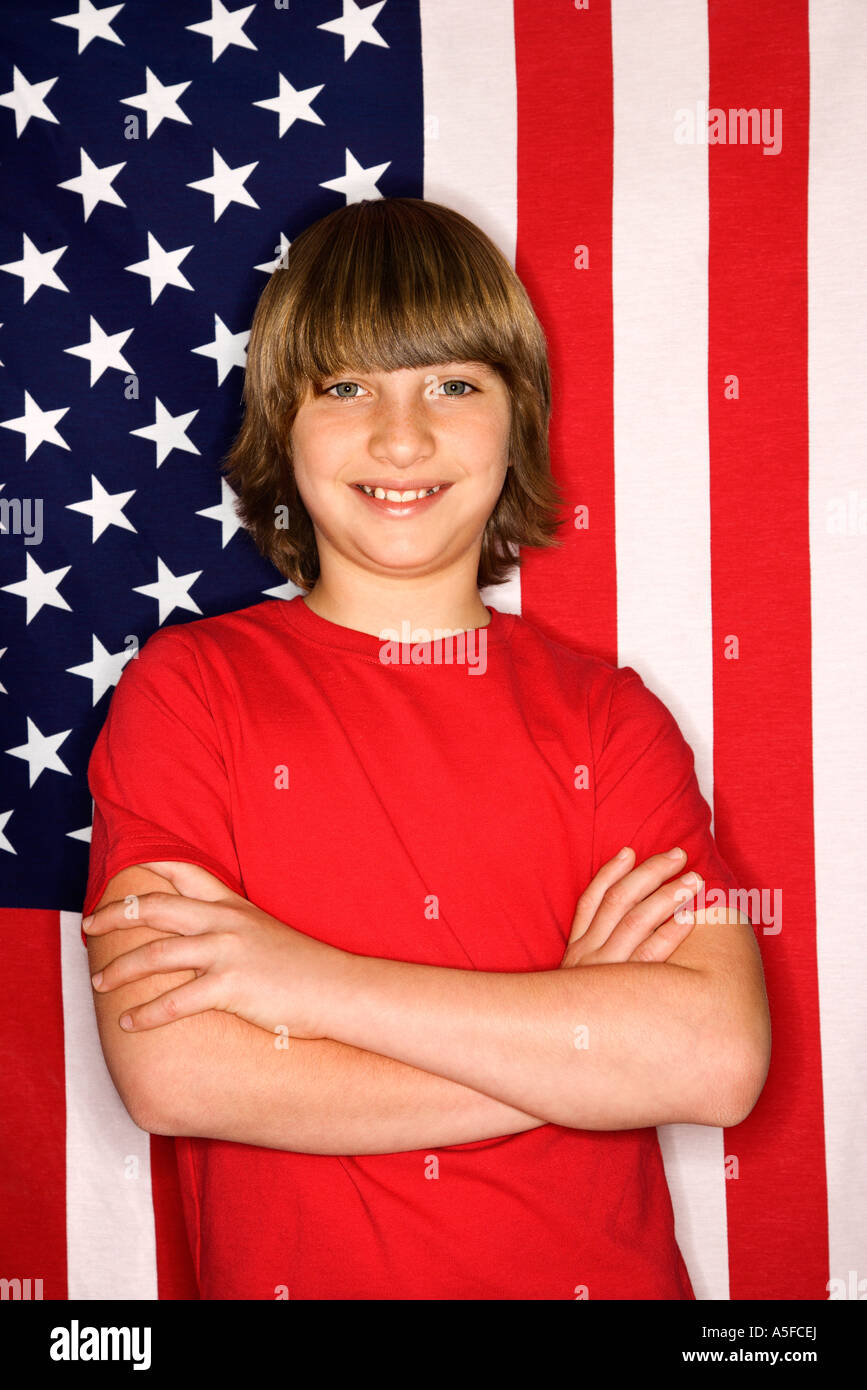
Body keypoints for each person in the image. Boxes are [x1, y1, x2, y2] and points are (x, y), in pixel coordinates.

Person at [82, 196, 770, 1301]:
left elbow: (714, 1059)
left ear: (518, 419)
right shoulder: (188, 692)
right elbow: (177, 1068)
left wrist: (311, 984)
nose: (401, 439)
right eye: (347, 388)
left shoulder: (611, 718)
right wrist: (578, 1043)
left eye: (452, 385)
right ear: (281, 424)